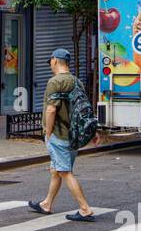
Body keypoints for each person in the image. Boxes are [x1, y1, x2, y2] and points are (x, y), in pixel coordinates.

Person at [29, 47, 98, 221]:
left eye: (51, 62)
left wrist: (48, 132)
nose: (50, 65)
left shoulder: (55, 82)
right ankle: (47, 204)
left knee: (64, 171)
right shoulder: (77, 81)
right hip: (73, 135)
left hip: (59, 135)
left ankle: (85, 209)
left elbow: (51, 110)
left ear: (54, 60)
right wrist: (93, 132)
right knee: (56, 170)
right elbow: (85, 109)